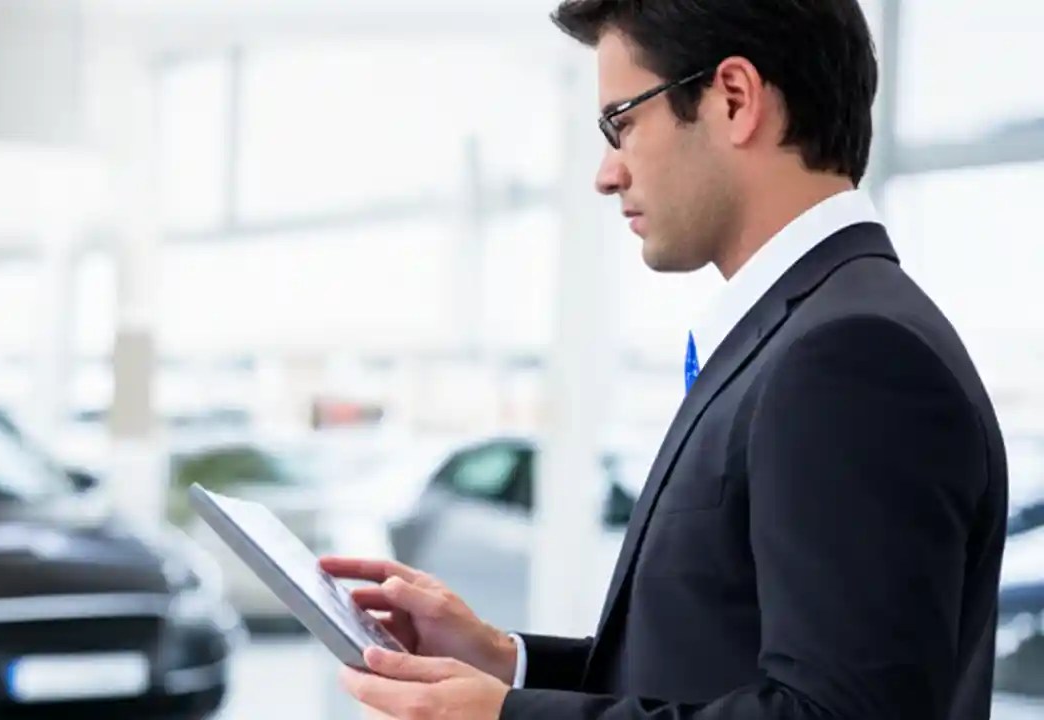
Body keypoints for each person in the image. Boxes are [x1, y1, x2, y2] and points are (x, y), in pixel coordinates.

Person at [322, 0, 1010, 718]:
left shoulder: (850, 356)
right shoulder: (808, 335)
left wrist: (504, 717)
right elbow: (697, 666)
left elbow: (836, 713)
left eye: (621, 123)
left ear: (734, 99)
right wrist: (505, 661)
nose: (606, 173)